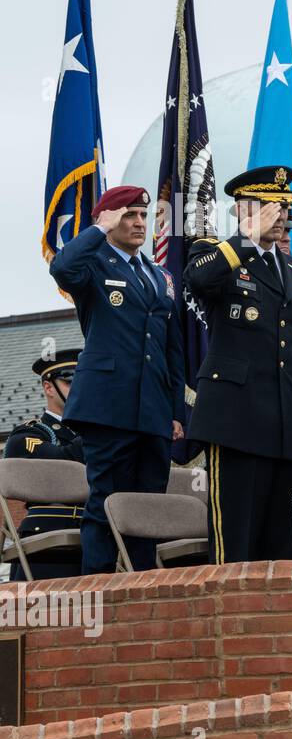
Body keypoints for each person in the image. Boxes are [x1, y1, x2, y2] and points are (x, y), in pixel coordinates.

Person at [184, 165, 292, 563]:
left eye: (285, 208)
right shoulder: (216, 253)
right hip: (236, 420)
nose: (282, 216)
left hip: (284, 423)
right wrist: (245, 238)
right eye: (272, 207)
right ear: (246, 210)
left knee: (281, 544)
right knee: (236, 541)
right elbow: (200, 282)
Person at [48, 186, 186, 575]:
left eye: (143, 216)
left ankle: (139, 589)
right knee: (106, 499)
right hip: (107, 405)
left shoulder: (160, 276)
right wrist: (96, 231)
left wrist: (175, 410)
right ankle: (99, 586)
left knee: (148, 506)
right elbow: (61, 268)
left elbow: (171, 350)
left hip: (153, 409)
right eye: (128, 215)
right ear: (108, 220)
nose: (139, 223)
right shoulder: (94, 262)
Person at [1, 350, 85, 581]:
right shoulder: (30, 434)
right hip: (51, 539)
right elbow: (64, 466)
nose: (81, 389)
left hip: (101, 532)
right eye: (70, 383)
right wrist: (99, 426)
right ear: (49, 388)